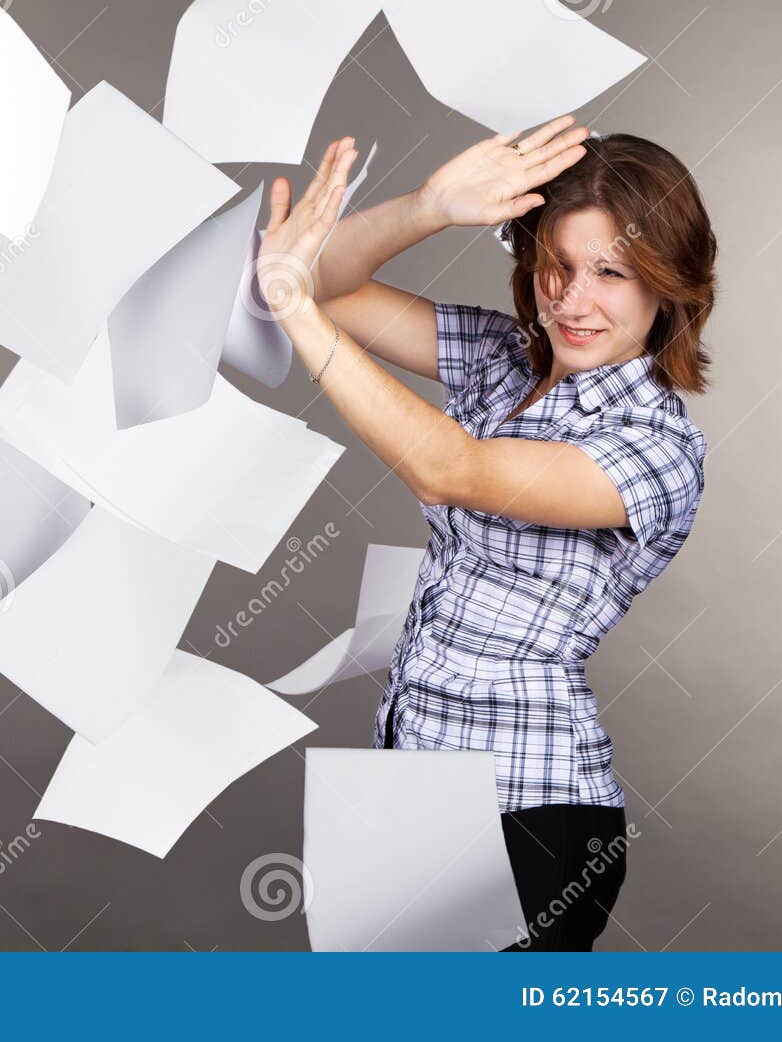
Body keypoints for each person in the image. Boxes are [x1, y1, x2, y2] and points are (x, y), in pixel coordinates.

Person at [258, 119, 715, 950]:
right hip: (410, 785)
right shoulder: (503, 357)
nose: (572, 300)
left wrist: (291, 302)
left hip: (531, 815)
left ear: (668, 283)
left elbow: (451, 469)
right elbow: (323, 284)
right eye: (557, 266)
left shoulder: (656, 449)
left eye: (610, 273)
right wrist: (430, 206)